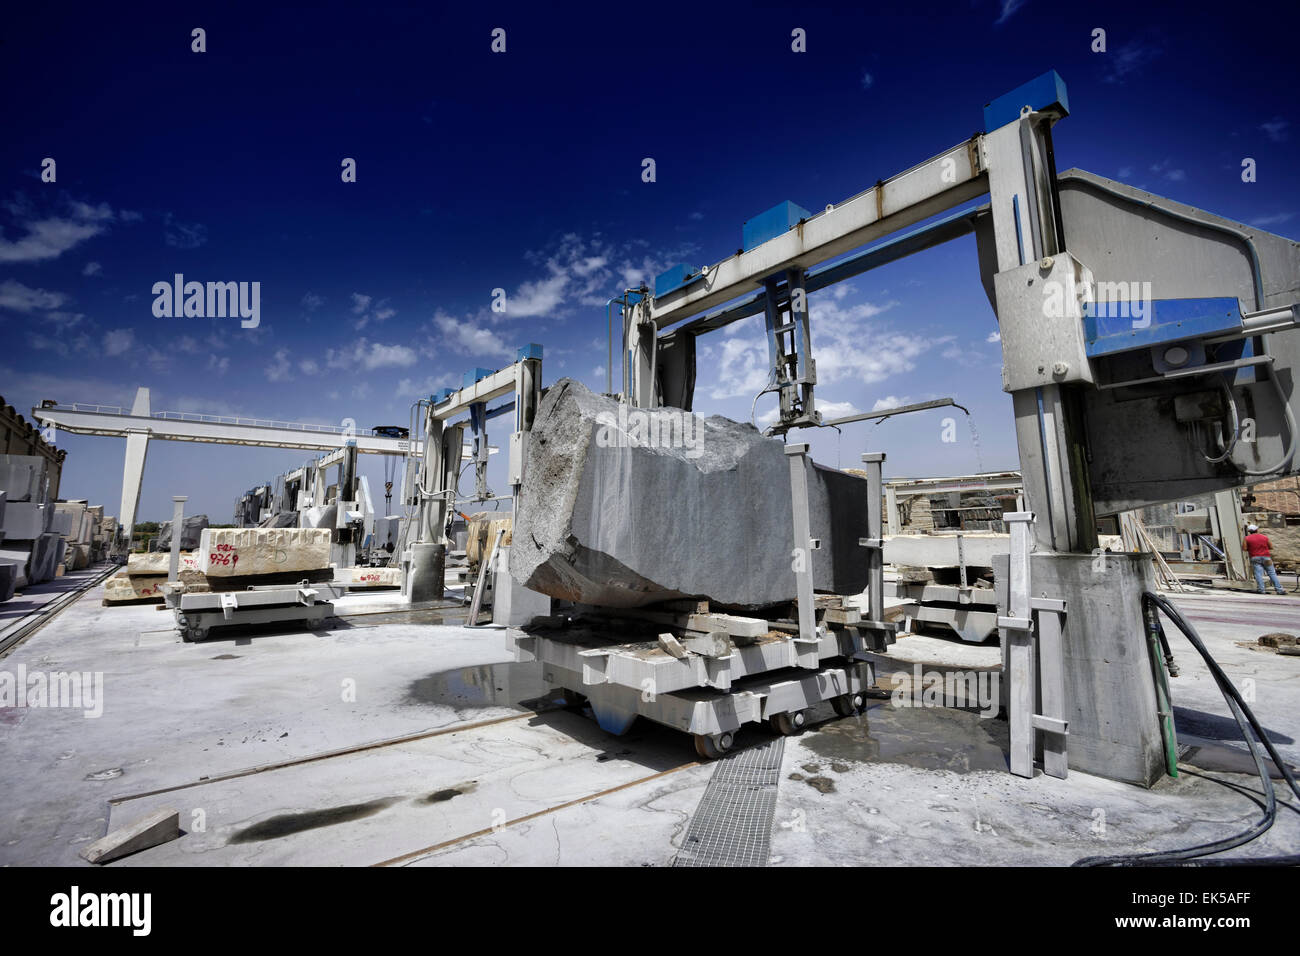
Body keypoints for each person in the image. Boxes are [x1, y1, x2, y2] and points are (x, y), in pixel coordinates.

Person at [1244, 524, 1286, 595]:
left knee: (1258, 574)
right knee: (1272, 573)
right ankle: (1279, 590)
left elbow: (1244, 548)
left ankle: (1261, 590)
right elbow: (1271, 547)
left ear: (1249, 531)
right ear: (1257, 530)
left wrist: (1252, 549)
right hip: (1266, 557)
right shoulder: (1265, 537)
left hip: (1255, 558)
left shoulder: (1247, 538)